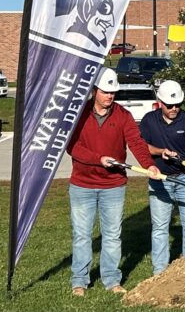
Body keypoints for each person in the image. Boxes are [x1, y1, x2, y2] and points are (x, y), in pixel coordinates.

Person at [67, 68, 160, 296]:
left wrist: (149, 165)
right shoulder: (79, 113)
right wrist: (98, 159)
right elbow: (72, 147)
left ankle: (111, 279)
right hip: (82, 184)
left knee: (112, 235)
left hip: (113, 185)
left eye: (113, 92)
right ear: (94, 91)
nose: (110, 96)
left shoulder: (123, 115)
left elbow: (136, 142)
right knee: (82, 235)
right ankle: (79, 281)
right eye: (106, 91)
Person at [139, 80, 185, 275]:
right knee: (160, 227)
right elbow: (143, 147)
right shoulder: (149, 120)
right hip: (160, 179)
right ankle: (160, 273)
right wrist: (161, 152)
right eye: (169, 105)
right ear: (160, 102)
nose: (174, 108)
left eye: (178, 104)